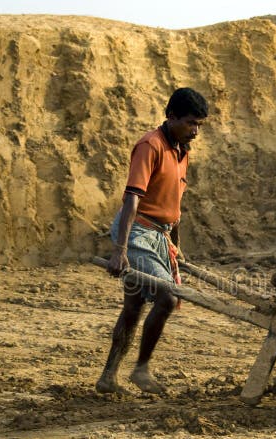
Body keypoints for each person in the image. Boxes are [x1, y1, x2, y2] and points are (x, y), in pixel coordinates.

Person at [96, 87, 208, 395]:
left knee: (133, 305)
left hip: (159, 235)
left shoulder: (182, 150)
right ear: (171, 117)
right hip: (136, 233)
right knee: (167, 296)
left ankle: (108, 378)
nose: (195, 131)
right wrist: (119, 250)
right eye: (190, 123)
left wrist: (175, 243)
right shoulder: (151, 146)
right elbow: (132, 197)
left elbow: (174, 204)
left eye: (199, 125)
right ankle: (141, 369)